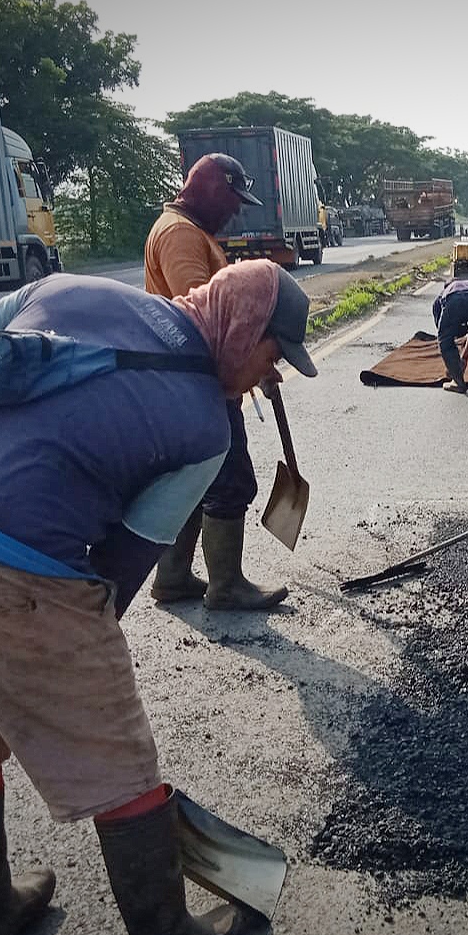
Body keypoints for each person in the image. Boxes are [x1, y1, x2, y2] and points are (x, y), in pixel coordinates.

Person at [0, 264, 317, 935]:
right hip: (10, 569)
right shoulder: (205, 430)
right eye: (274, 354)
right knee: (115, 755)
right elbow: (122, 566)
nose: (271, 375)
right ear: (246, 328)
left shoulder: (68, 290)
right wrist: (80, 659)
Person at [144, 153, 288, 611]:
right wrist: (250, 365)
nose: (236, 211)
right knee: (229, 481)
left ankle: (172, 577)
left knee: (193, 481)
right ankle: (226, 585)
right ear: (210, 189)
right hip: (200, 383)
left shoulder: (187, 230)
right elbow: (205, 317)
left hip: (187, 380)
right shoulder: (180, 235)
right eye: (233, 199)